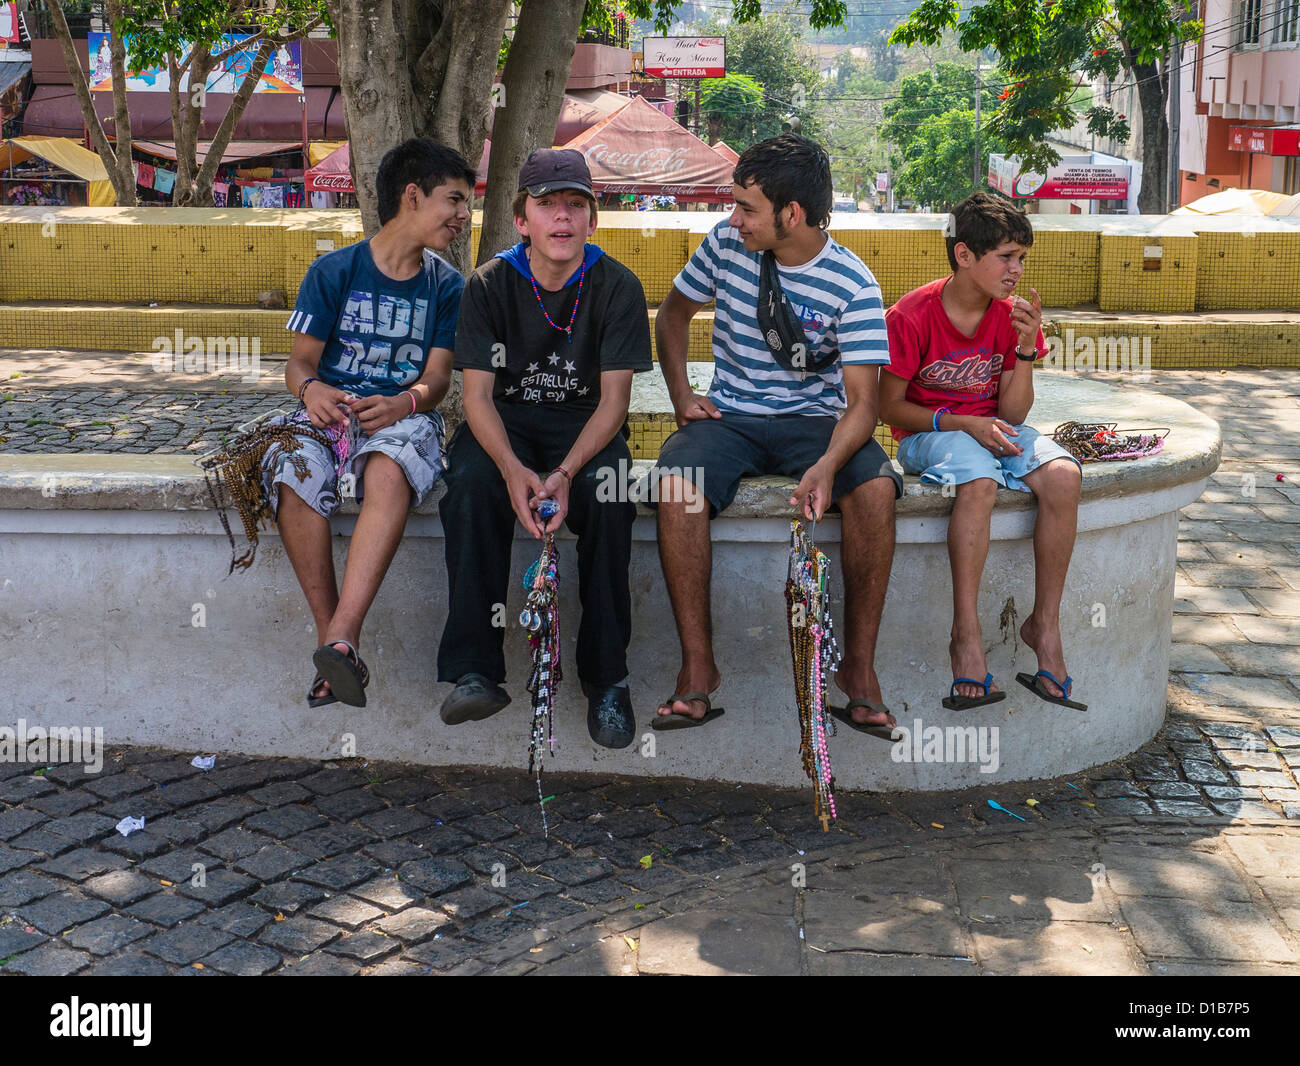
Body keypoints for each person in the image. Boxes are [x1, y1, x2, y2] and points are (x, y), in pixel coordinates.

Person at [651, 133, 902, 739]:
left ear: (791, 214)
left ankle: (859, 672)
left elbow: (865, 406)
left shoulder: (853, 284)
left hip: (817, 424)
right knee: (677, 486)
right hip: (731, 416)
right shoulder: (723, 247)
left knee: (874, 493)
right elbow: (673, 314)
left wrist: (828, 465)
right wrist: (683, 394)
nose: (733, 219)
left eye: (746, 207)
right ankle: (698, 666)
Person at [437, 149, 652, 749]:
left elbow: (614, 404)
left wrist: (563, 472)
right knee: (472, 488)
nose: (563, 218)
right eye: (547, 204)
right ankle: (476, 669)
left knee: (609, 498)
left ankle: (607, 679)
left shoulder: (617, 286)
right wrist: (511, 470)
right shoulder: (487, 284)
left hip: (585, 431)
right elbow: (476, 397)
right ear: (522, 219)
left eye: (576, 205)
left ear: (593, 218)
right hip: (504, 427)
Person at [268, 138, 473, 708]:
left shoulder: (447, 287)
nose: (463, 216)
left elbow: (437, 380)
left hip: (402, 419)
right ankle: (330, 640)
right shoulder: (335, 270)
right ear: (412, 196)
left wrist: (405, 403)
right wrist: (311, 391)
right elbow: (299, 363)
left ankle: (343, 635)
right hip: (330, 412)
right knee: (293, 469)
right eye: (454, 200)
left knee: (388, 469)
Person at [879, 191, 1086, 712]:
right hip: (930, 435)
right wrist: (961, 422)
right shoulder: (911, 315)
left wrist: (1023, 349)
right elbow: (889, 408)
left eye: (1022, 258)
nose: (1016, 270)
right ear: (964, 255)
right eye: (1006, 257)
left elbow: (1014, 416)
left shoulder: (1012, 317)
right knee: (979, 480)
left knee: (1063, 475)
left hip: (991, 427)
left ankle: (1044, 625)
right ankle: (965, 635)